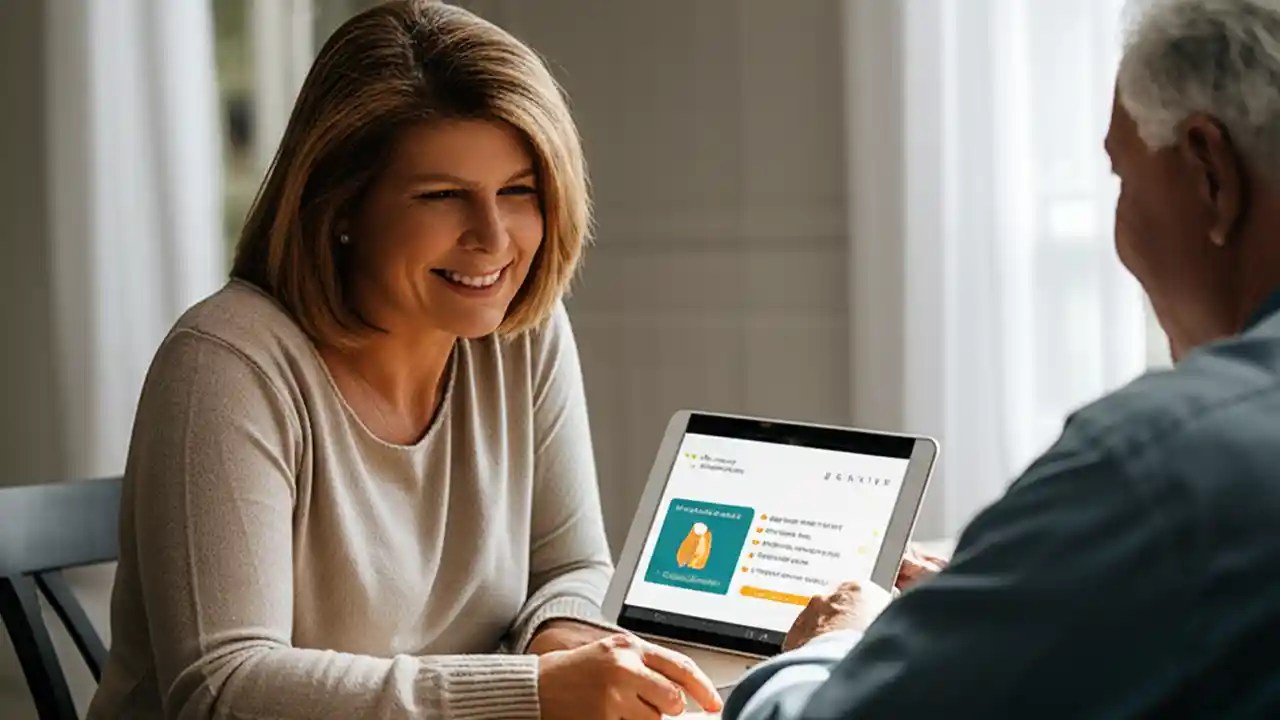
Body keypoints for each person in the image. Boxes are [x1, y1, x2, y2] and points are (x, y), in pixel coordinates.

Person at [87, 2, 723, 718]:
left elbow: (569, 565)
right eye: (443, 196)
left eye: (518, 191)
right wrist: (533, 692)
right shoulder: (225, 366)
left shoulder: (522, 334)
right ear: (342, 208)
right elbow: (223, 689)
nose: (493, 239)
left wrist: (565, 640)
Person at [724, 1, 1280, 717]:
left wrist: (840, 641)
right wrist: (1015, 601)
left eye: (1122, 178)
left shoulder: (1157, 462)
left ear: (1210, 174)